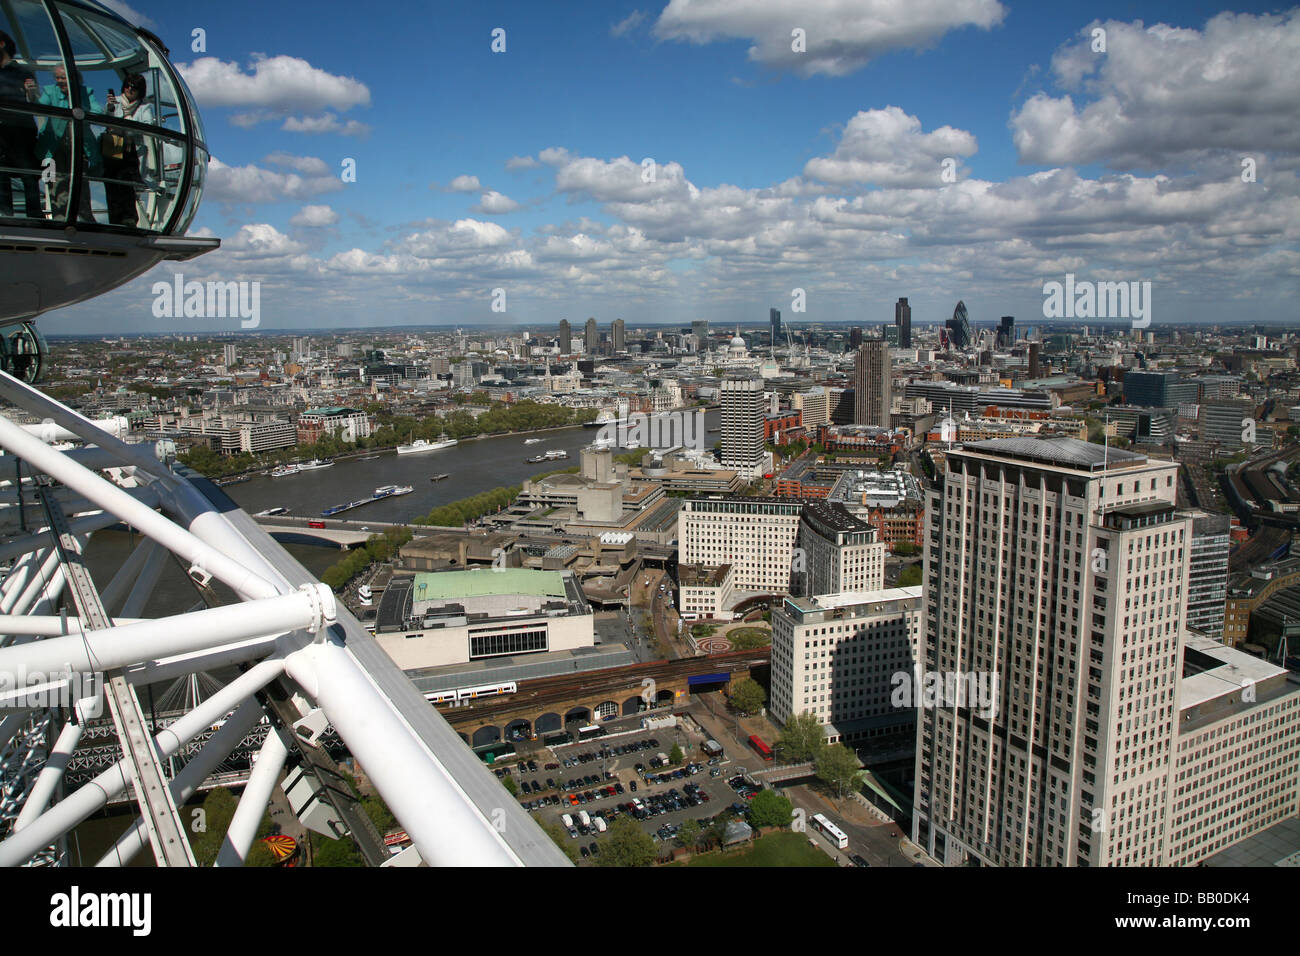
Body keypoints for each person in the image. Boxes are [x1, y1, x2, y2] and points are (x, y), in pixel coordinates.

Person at [36, 64, 100, 220]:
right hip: (53, 148)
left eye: (63, 78)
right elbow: (39, 107)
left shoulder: (85, 92)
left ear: (73, 78)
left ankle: (86, 222)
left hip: (79, 147)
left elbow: (98, 111)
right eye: (58, 78)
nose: (60, 81)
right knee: (56, 187)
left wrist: (80, 108)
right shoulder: (50, 91)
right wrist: (31, 96)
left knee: (81, 187)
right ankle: (59, 220)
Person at [101, 72, 153, 226]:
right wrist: (110, 108)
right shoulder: (115, 102)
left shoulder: (144, 107)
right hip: (113, 145)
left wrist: (125, 124)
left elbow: (147, 126)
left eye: (134, 87)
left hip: (131, 149)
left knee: (126, 181)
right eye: (128, 86)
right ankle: (115, 218)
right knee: (111, 181)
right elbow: (107, 120)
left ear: (140, 90)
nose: (130, 90)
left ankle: (129, 217)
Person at [0, 30, 41, 219]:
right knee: (1, 173)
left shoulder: (22, 72)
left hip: (21, 129)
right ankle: (5, 212)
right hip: (2, 130)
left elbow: (34, 102)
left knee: (27, 173)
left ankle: (34, 215)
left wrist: (30, 95)